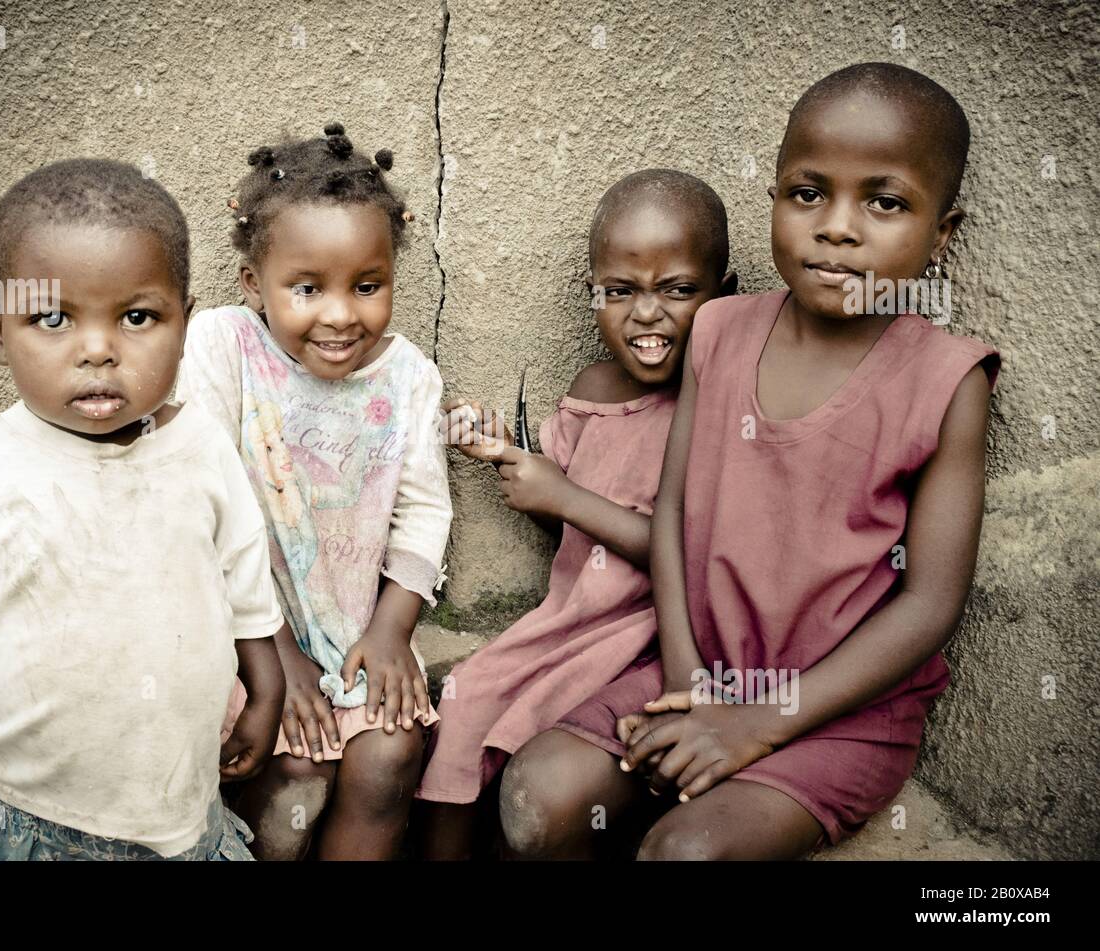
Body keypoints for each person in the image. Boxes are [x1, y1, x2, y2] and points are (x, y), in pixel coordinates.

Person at [503, 63, 1000, 860]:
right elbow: (673, 512)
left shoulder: (947, 379)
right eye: (808, 193)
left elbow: (929, 604)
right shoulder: (721, 330)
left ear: (942, 232)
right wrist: (692, 676)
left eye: (885, 202)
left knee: (686, 852)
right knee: (540, 796)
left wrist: (758, 723)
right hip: (699, 667)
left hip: (842, 713)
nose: (837, 227)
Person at [0, 159, 285, 861]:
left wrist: (266, 683)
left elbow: (240, 578)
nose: (99, 350)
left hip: (183, 820)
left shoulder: (202, 443)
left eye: (138, 317)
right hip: (31, 828)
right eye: (51, 318)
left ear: (185, 320)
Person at [417, 170, 736, 859]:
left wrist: (563, 496)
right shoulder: (592, 390)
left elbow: (686, 549)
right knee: (464, 698)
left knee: (540, 765)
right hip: (567, 620)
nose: (645, 313)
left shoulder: (721, 410)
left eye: (677, 290)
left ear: (726, 296)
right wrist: (504, 455)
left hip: (652, 637)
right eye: (619, 291)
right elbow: (567, 517)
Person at [176, 123, 452, 860]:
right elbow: (200, 504)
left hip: (360, 631)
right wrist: (273, 655)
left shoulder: (409, 378)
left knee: (389, 754)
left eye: (367, 286)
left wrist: (393, 630)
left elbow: (425, 511)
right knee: (294, 765)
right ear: (252, 285)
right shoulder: (224, 348)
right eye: (306, 288)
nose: (340, 315)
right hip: (243, 638)